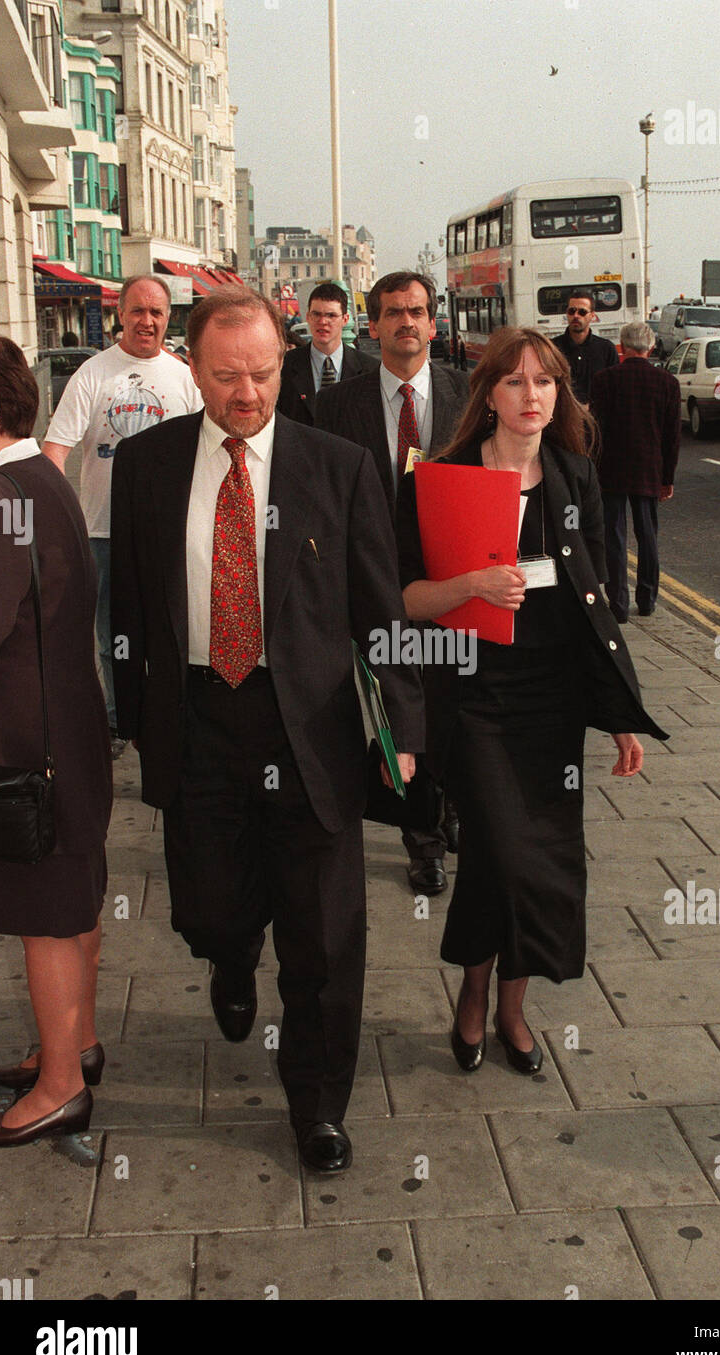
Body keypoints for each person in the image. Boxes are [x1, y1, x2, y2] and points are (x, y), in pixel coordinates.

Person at [110, 289, 424, 1174]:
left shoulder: (338, 467)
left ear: (283, 364)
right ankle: (230, 952)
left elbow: (380, 606)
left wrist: (401, 723)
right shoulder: (147, 465)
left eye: (261, 374)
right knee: (211, 901)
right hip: (199, 721)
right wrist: (132, 717)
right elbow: (129, 600)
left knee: (324, 934)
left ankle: (317, 1105)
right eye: (224, 375)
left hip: (310, 729)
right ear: (192, 366)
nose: (245, 394)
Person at [395, 326, 666, 1075]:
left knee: (529, 859)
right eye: (513, 382)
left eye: (544, 382)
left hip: (550, 702)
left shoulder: (572, 474)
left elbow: (596, 601)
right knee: (507, 853)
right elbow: (401, 598)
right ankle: (482, 1000)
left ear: (559, 394)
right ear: (487, 395)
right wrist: (470, 588)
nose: (531, 396)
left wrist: (617, 714)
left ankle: (499, 1006)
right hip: (474, 697)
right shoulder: (440, 476)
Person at [0, 334, 112, 1147]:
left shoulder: (1, 496)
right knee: (73, 906)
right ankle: (77, 1044)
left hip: (27, 755)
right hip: (68, 735)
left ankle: (62, 1087)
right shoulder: (43, 479)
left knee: (46, 919)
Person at [315, 271, 468, 896]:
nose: (407, 321)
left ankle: (449, 806)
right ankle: (422, 841)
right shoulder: (335, 405)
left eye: (418, 311)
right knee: (403, 712)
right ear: (371, 326)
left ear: (433, 324)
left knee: (452, 709)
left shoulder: (468, 393)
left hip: (454, 584)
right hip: (377, 589)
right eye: (393, 312)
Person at [41, 276, 201, 760]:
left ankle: (177, 712)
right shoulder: (92, 375)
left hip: (173, 533)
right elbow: (54, 452)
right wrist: (58, 522)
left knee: (177, 629)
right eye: (137, 311)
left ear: (168, 316)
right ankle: (118, 719)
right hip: (103, 531)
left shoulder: (185, 377)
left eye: (156, 312)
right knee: (113, 637)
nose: (147, 321)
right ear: (120, 314)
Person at [589, 320, 682, 623]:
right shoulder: (667, 382)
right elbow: (672, 437)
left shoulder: (604, 380)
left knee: (614, 538)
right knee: (648, 536)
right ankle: (647, 599)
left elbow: (595, 430)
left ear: (622, 346)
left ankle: (617, 604)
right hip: (649, 470)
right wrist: (667, 479)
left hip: (611, 470)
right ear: (651, 347)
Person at [277, 282, 375, 424]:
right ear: (308, 317)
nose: (323, 321)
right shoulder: (283, 366)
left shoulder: (369, 369)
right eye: (316, 314)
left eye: (331, 315)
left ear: (345, 320)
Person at [552, 291, 619, 405]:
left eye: (582, 312)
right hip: (563, 418)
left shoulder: (606, 349)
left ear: (592, 316)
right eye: (571, 311)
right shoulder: (552, 348)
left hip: (596, 419)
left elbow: (615, 388)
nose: (576, 316)